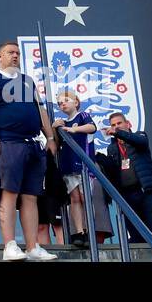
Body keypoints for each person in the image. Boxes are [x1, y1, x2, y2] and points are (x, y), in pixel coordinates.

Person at [0, 41, 58, 261]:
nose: (15, 56)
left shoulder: (27, 82)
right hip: (9, 143)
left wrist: (50, 136)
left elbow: (39, 110)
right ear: (0, 56)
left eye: (17, 53)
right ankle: (10, 245)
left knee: (30, 196)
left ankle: (32, 247)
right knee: (9, 193)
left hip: (33, 144)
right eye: (10, 53)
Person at [102, 112, 152, 243]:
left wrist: (117, 133)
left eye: (119, 123)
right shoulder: (112, 148)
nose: (116, 127)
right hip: (128, 195)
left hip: (147, 191)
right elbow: (114, 172)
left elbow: (141, 142)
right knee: (136, 236)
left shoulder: (139, 136)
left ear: (128, 124)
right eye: (113, 125)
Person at [53, 90, 97, 248]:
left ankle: (89, 229)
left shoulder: (82, 116)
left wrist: (75, 129)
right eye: (59, 103)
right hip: (69, 166)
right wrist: (55, 129)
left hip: (84, 166)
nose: (62, 104)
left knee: (85, 198)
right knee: (75, 199)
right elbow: (57, 144)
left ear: (76, 102)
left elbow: (92, 127)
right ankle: (79, 232)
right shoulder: (62, 123)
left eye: (65, 100)